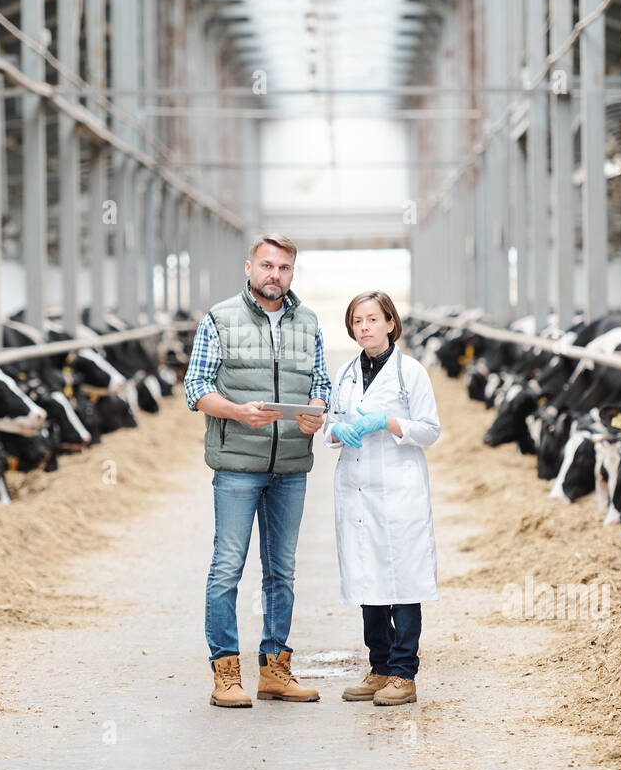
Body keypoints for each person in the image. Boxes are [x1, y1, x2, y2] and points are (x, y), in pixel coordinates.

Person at [184, 235, 331, 708]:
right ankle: (225, 672)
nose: (275, 275)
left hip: (290, 463)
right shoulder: (219, 318)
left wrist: (315, 411)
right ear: (249, 267)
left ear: (292, 273)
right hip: (237, 466)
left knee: (281, 571)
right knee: (227, 567)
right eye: (267, 265)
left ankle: (275, 669)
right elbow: (196, 388)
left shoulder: (307, 322)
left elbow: (321, 383)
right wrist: (235, 411)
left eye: (284, 268)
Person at [322, 291, 440, 706]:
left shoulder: (411, 373)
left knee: (404, 579)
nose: (365, 327)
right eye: (357, 321)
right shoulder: (345, 374)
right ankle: (380, 667)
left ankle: (404, 673)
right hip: (356, 489)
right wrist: (338, 432)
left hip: (399, 488)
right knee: (368, 576)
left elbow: (429, 430)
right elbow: (329, 426)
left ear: (391, 323)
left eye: (373, 319)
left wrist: (389, 422)